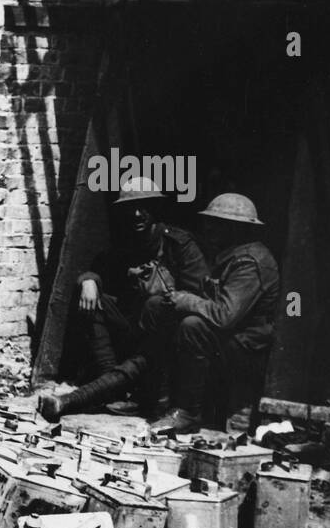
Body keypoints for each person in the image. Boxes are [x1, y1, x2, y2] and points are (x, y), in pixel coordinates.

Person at [39, 176, 207, 421]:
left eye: (144, 207)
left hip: (166, 335)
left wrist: (165, 301)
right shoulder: (128, 242)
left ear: (156, 209)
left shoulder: (179, 245)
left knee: (149, 343)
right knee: (93, 299)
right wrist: (88, 280)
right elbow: (101, 269)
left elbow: (198, 297)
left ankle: (90, 395)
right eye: (131, 209)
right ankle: (111, 385)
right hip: (135, 327)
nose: (137, 214)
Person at [149, 193, 279, 435]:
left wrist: (187, 300)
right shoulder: (233, 254)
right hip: (233, 340)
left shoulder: (250, 262)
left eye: (216, 223)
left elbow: (224, 315)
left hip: (248, 348)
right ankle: (160, 401)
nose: (208, 228)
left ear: (235, 228)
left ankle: (188, 413)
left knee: (193, 326)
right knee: (167, 312)